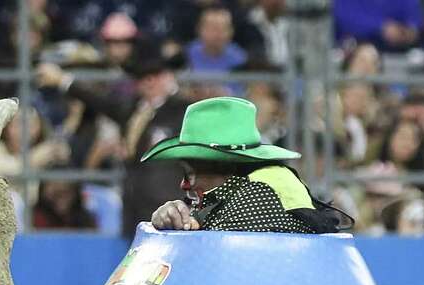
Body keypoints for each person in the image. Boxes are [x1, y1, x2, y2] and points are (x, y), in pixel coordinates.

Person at [37, 41, 190, 238]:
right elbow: (98, 100)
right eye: (142, 77)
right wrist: (63, 81)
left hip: (167, 206)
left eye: (154, 76)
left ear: (167, 77)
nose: (148, 82)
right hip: (134, 206)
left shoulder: (184, 111)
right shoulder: (134, 110)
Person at [144, 97, 343, 234]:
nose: (184, 185)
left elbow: (207, 267)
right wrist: (168, 219)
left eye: (190, 173)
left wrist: (180, 229)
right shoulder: (237, 188)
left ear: (226, 166)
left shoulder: (257, 196)